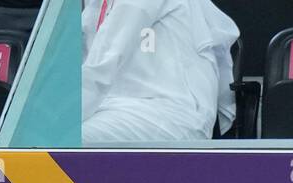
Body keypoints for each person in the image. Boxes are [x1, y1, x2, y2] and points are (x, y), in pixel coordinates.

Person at [81, 0, 240, 143]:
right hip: (116, 106)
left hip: (170, 112)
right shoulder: (94, 4)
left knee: (66, 138)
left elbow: (98, 72)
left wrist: (62, 117)